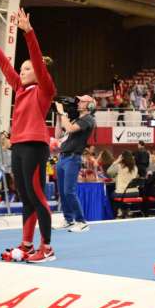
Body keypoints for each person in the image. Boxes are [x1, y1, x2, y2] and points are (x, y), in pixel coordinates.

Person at [0, 9, 57, 262]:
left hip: (35, 145)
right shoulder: (20, 89)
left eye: (27, 68)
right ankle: (26, 243)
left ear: (37, 70)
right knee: (25, 197)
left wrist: (29, 33)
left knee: (37, 195)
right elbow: (4, 65)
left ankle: (46, 247)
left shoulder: (44, 89)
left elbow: (36, 59)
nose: (21, 72)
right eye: (21, 69)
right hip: (19, 146)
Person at [54, 95, 96, 233]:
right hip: (63, 157)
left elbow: (71, 129)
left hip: (72, 158)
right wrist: (60, 119)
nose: (79, 102)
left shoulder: (88, 120)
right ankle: (68, 220)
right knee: (62, 191)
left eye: (83, 101)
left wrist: (62, 112)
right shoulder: (78, 119)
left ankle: (81, 222)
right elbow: (58, 135)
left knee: (69, 191)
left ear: (90, 105)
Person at [107, 151, 140, 217]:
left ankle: (115, 213)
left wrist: (116, 161)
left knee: (110, 194)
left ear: (122, 158)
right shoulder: (135, 168)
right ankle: (125, 209)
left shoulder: (119, 167)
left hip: (123, 193)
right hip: (135, 192)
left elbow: (109, 172)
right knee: (120, 194)